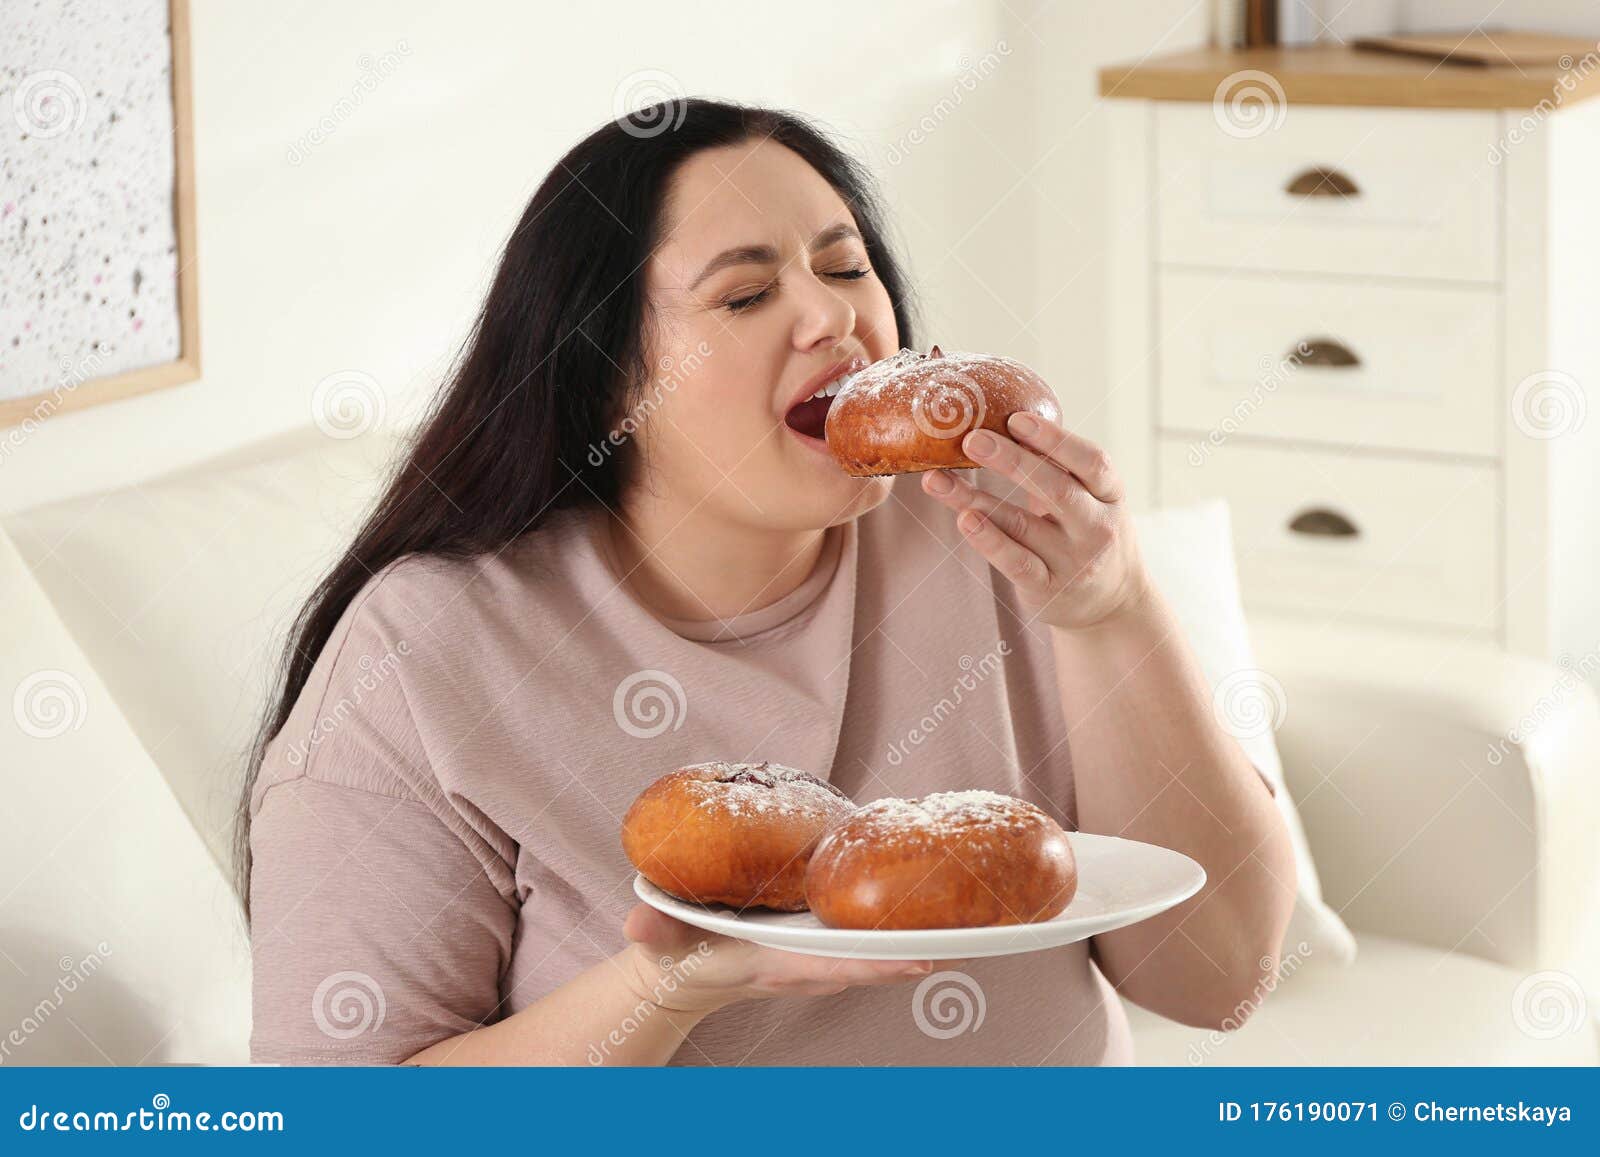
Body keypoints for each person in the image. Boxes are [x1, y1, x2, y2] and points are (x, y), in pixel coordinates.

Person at [238, 99, 1295, 1066]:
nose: (829, 317)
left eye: (844, 268)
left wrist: (1112, 610)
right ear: (606, 381)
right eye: (745, 292)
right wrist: (662, 987)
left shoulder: (992, 533)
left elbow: (1218, 979)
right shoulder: (428, 654)